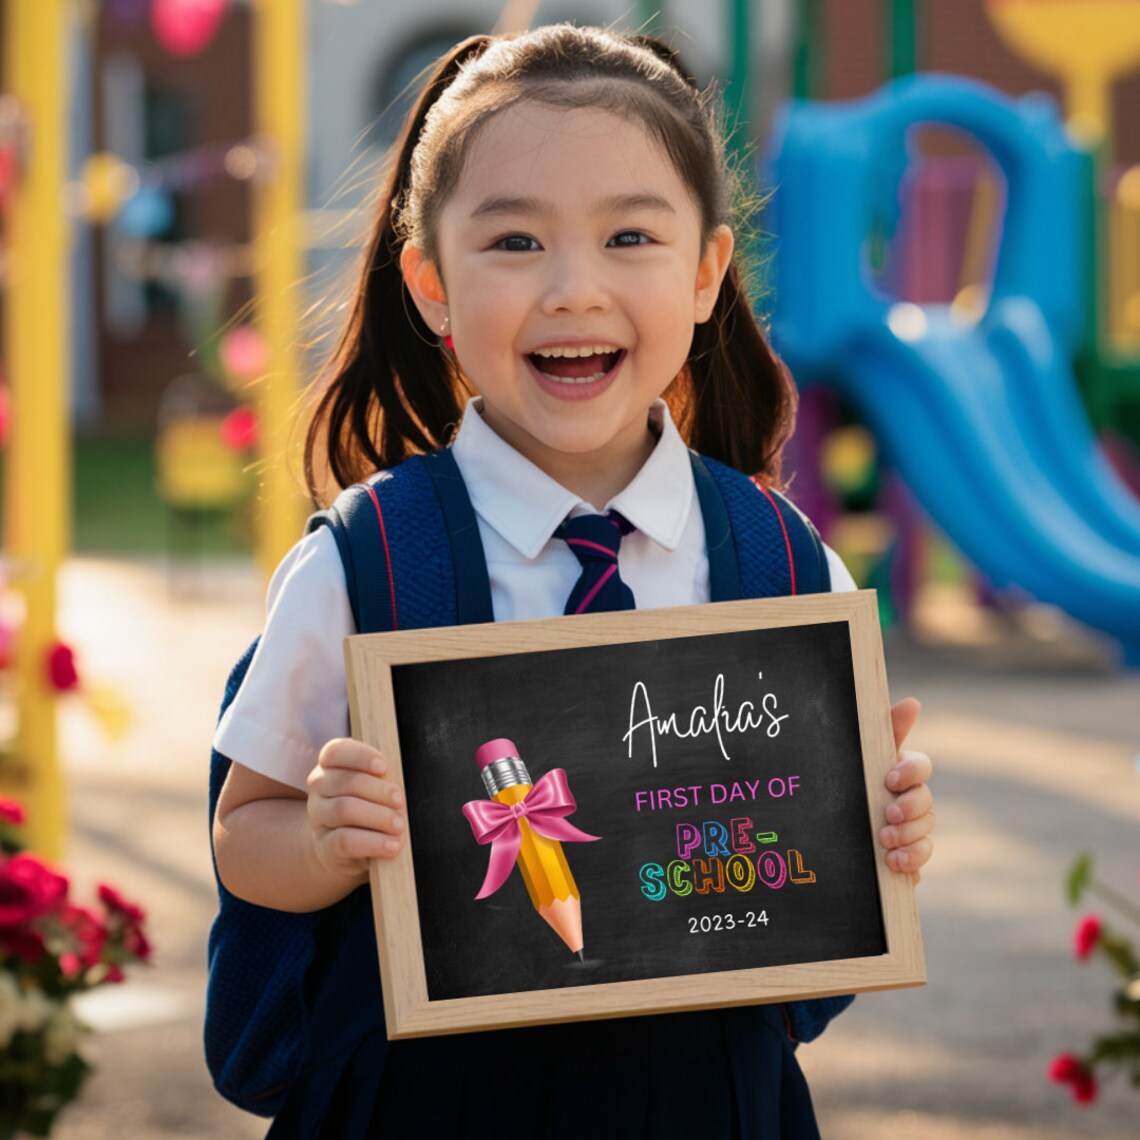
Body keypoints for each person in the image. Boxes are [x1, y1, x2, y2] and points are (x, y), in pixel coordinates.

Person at [211, 24, 935, 1138]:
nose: (573, 289)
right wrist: (316, 844)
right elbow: (244, 829)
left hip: (703, 1102)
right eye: (513, 243)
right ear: (432, 286)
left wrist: (878, 836)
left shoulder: (782, 566)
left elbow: (816, 896)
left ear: (704, 276)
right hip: (425, 1105)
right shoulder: (365, 564)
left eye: (630, 236)